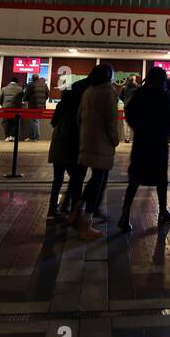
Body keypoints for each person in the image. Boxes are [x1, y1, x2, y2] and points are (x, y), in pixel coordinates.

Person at [119, 66, 170, 232]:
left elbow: (129, 112)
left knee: (135, 179)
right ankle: (162, 212)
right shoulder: (163, 96)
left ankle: (124, 215)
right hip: (158, 144)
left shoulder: (139, 94)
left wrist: (139, 128)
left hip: (142, 143)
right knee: (161, 179)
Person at [69, 64, 119, 240]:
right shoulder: (109, 93)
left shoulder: (88, 91)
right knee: (98, 181)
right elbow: (111, 122)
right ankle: (86, 222)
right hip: (102, 143)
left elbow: (78, 118)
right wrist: (115, 140)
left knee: (93, 180)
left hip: (86, 141)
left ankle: (76, 209)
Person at [47, 77, 88, 222]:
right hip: (70, 148)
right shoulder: (78, 109)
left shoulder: (61, 106)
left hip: (57, 146)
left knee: (57, 179)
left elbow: (53, 123)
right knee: (77, 179)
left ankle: (52, 209)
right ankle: (74, 211)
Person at [24, 74, 49, 141]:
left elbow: (26, 96)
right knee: (34, 121)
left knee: (34, 121)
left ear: (32, 78)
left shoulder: (31, 85)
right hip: (42, 107)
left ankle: (36, 137)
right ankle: (32, 136)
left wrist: (25, 100)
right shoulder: (44, 85)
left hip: (33, 106)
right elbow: (47, 95)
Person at [120, 74, 140, 143]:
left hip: (126, 106)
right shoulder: (138, 87)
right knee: (137, 123)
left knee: (126, 123)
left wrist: (125, 101)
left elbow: (120, 97)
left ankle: (127, 138)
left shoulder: (124, 87)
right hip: (136, 107)